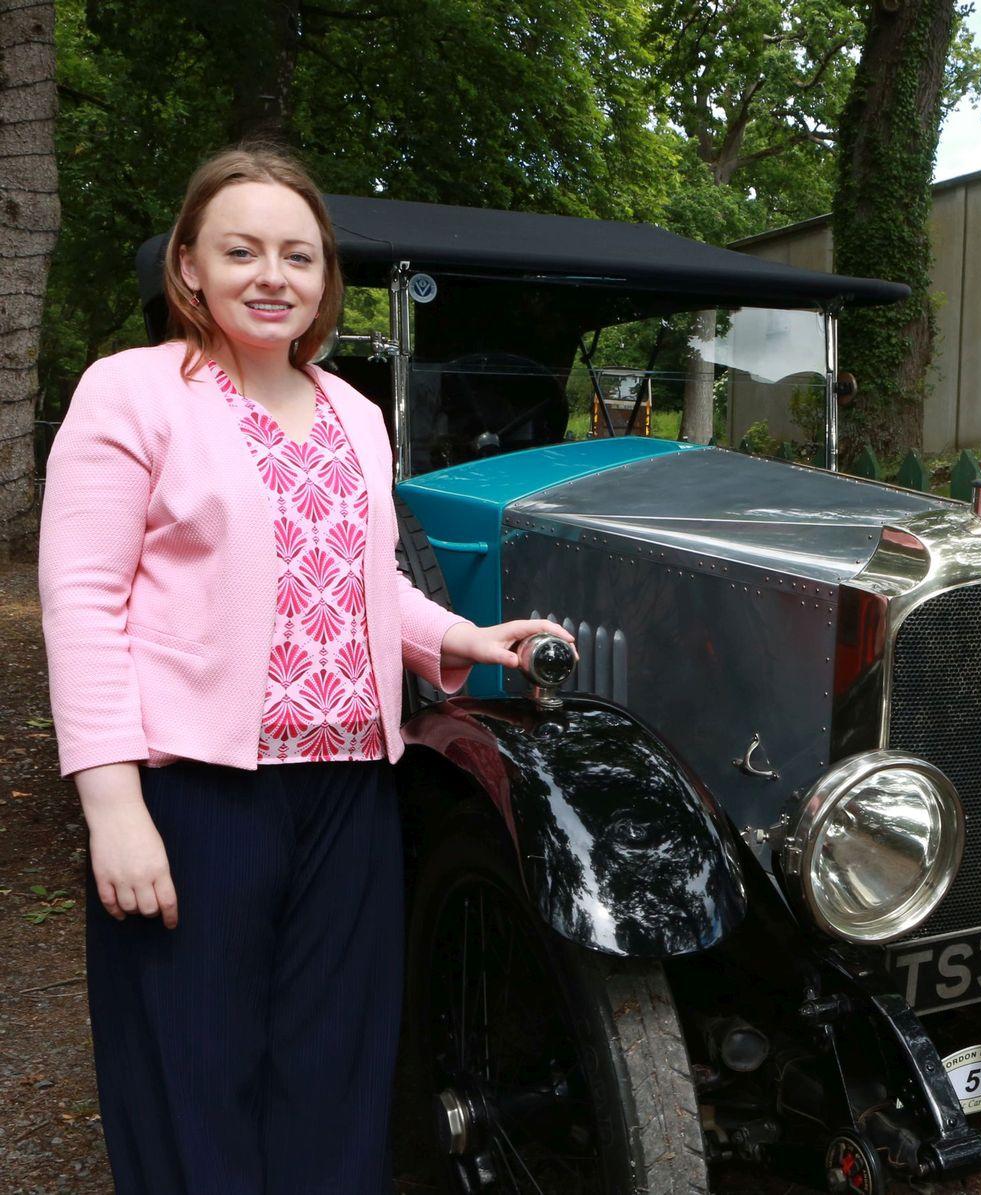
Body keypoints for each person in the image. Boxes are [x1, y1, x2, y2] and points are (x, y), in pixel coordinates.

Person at [37, 145, 573, 1192]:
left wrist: (456, 639)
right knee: (195, 1073)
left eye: (298, 254)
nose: (270, 275)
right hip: (194, 794)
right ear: (190, 266)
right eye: (240, 250)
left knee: (335, 1070)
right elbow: (84, 603)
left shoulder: (353, 414)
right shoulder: (133, 392)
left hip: (345, 794)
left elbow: (360, 577)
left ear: (326, 276)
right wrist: (112, 804)